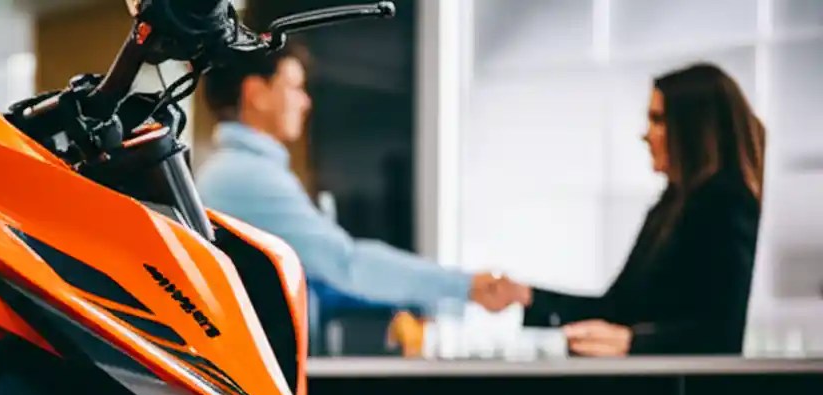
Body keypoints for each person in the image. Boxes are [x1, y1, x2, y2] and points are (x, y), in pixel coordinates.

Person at [194, 44, 523, 321]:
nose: (305, 102)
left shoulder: (237, 172)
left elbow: (319, 279)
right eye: (294, 87)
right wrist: (463, 286)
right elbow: (345, 265)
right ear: (256, 94)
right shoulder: (246, 178)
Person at [514, 63, 766, 356]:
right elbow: (618, 308)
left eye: (658, 120)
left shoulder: (726, 204)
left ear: (693, 127)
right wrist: (527, 297)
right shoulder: (670, 207)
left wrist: (633, 343)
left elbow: (720, 333)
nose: (645, 135)